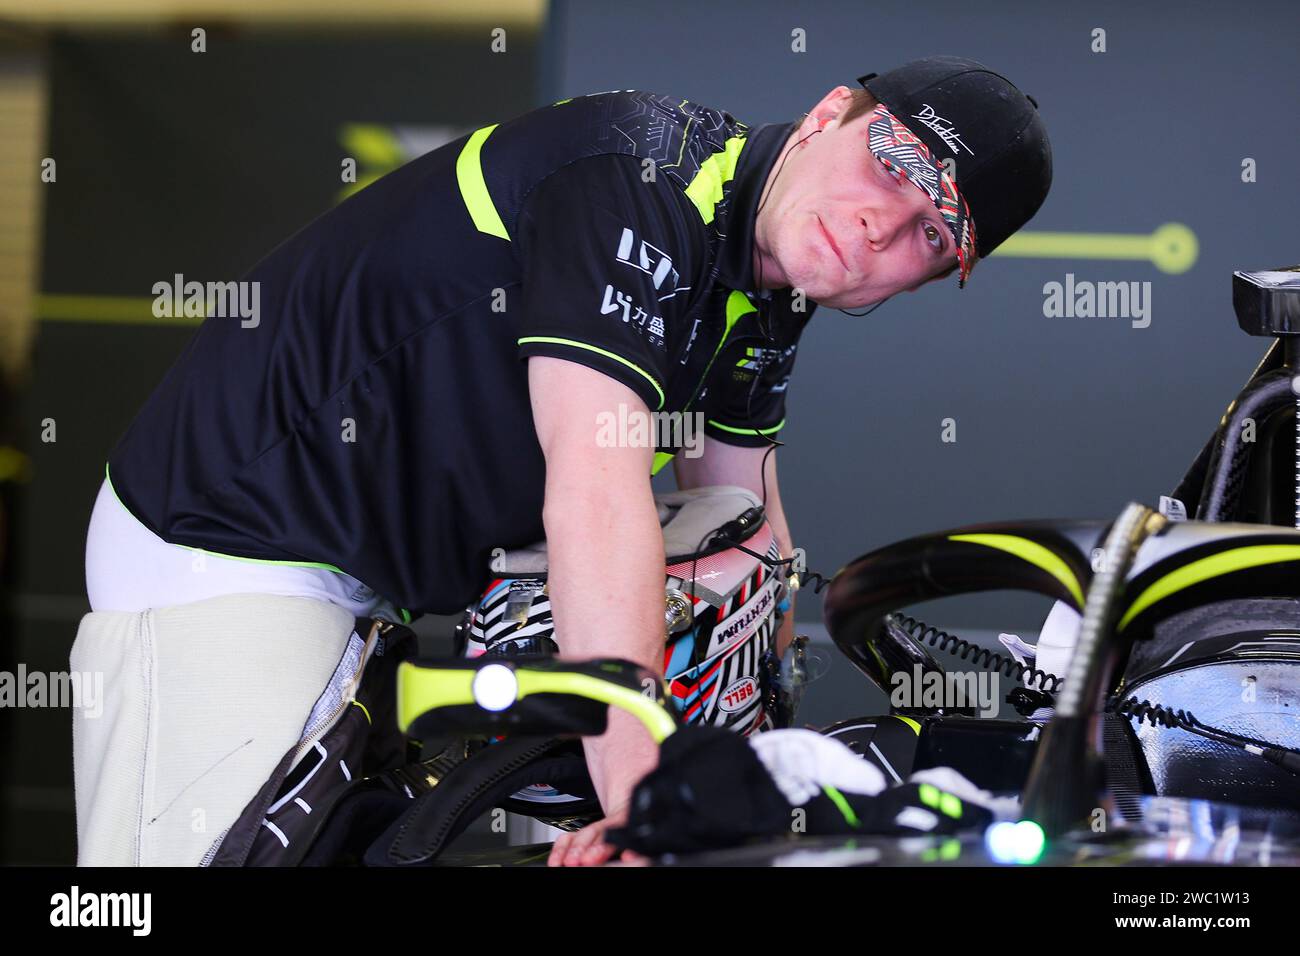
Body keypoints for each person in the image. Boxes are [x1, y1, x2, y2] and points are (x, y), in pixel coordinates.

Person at [71, 54, 1052, 867]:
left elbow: (744, 539)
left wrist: (744, 782)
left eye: (933, 231)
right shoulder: (639, 176)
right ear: (827, 114)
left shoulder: (768, 285)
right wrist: (641, 799)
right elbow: (595, 491)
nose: (884, 225)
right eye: (890, 164)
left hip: (361, 594)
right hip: (221, 544)